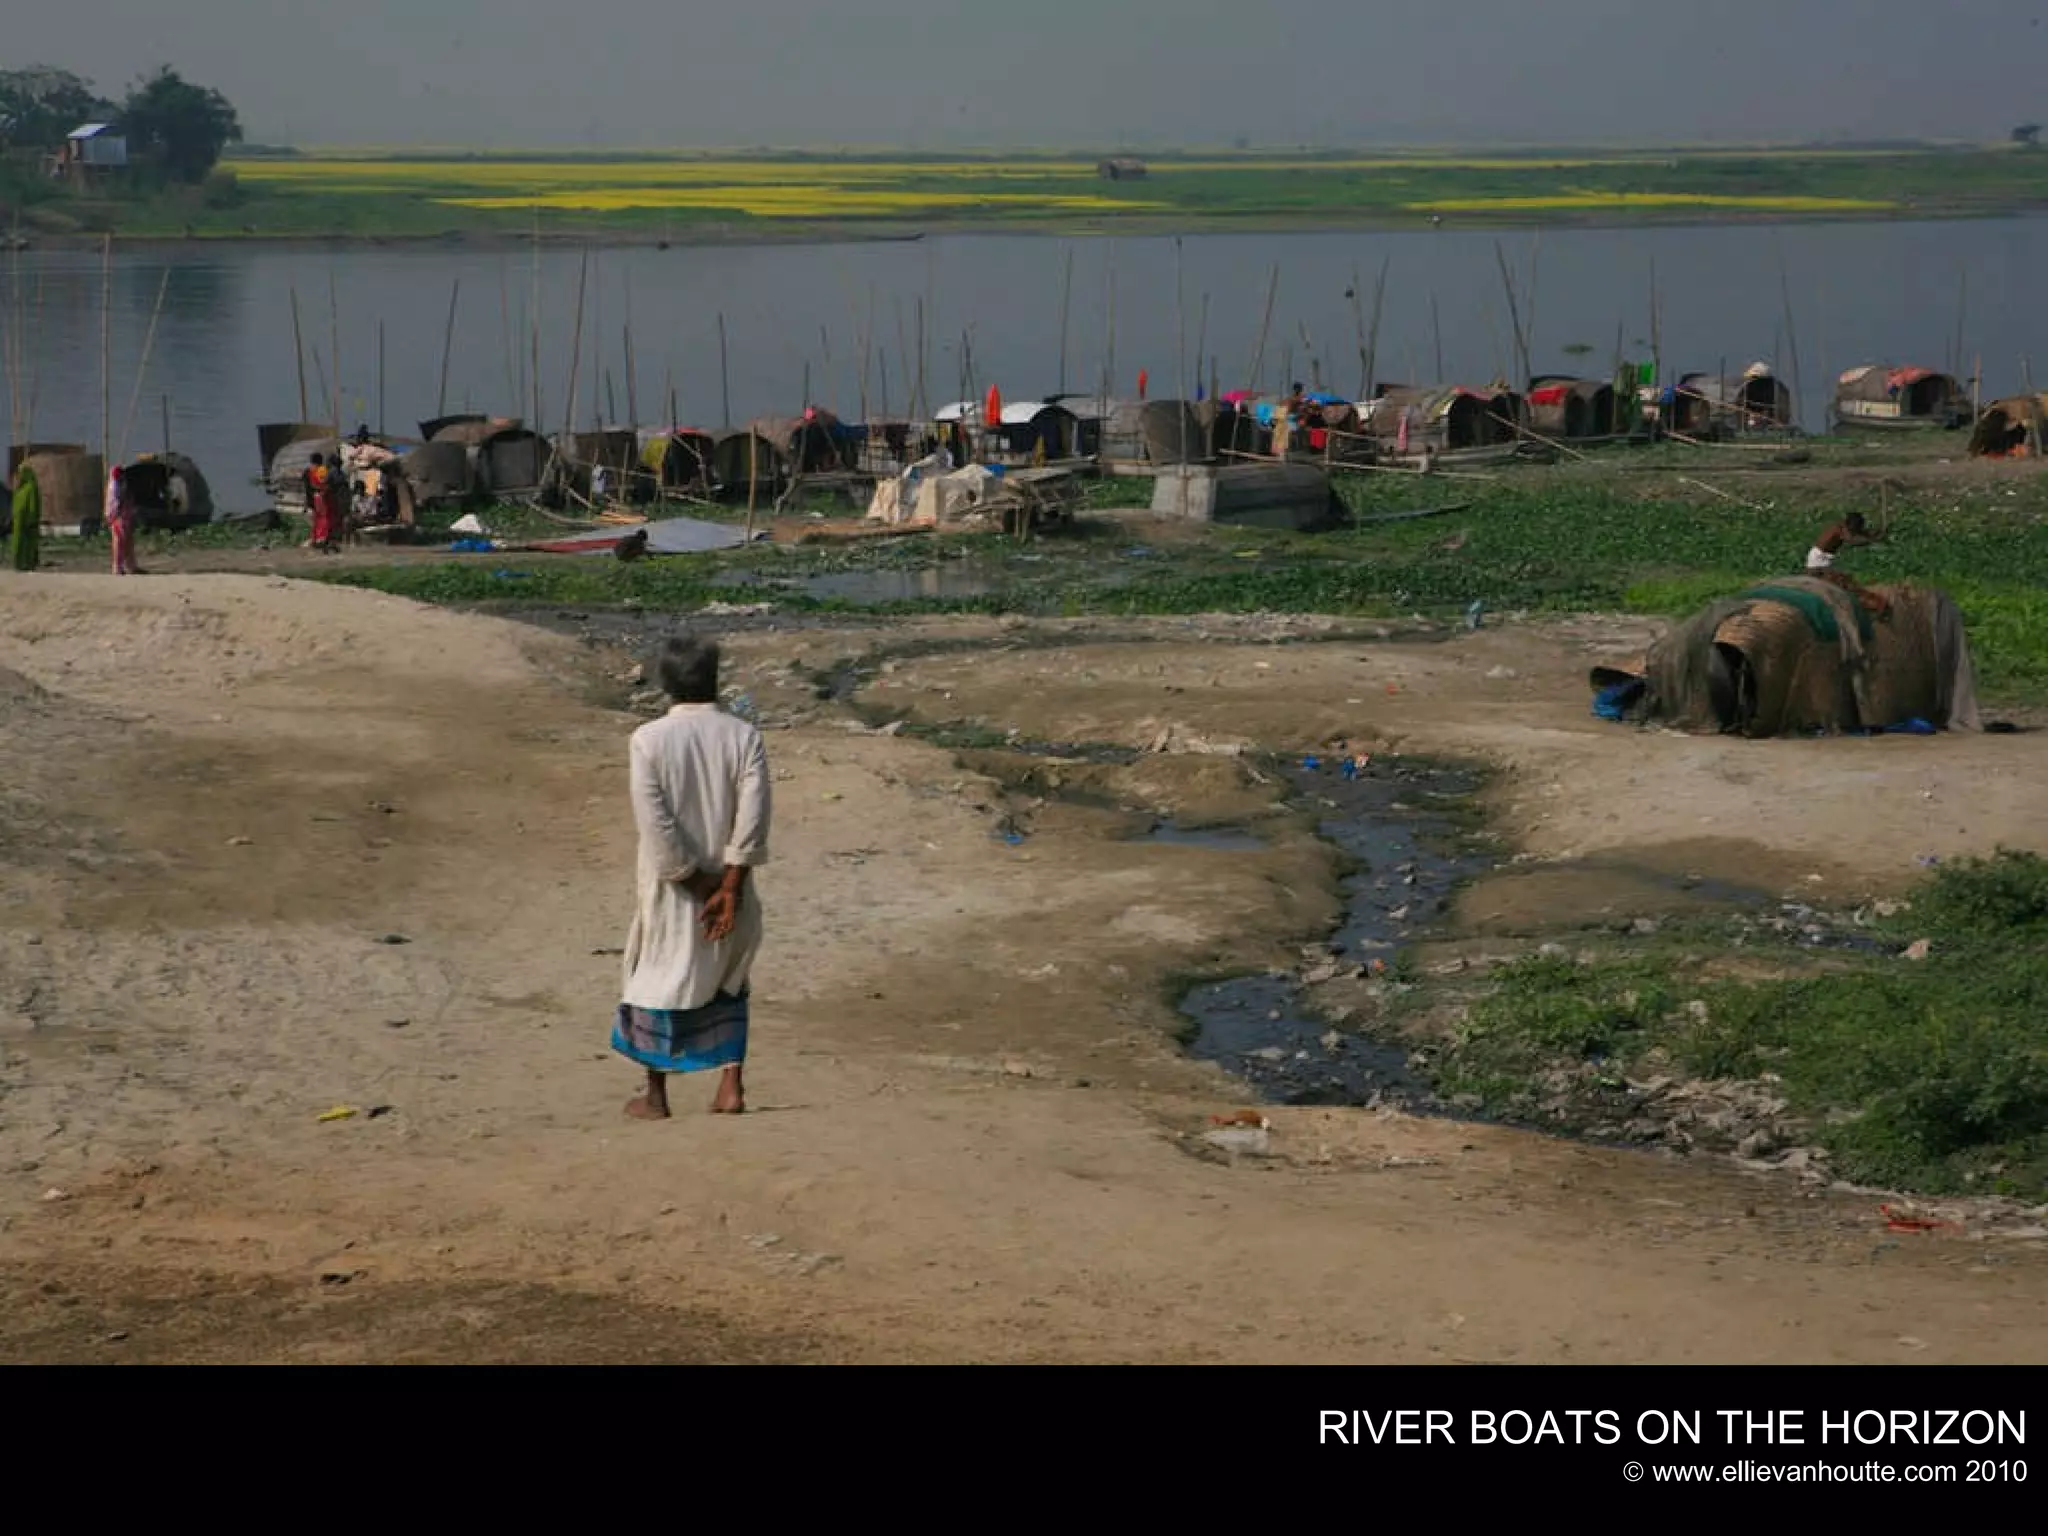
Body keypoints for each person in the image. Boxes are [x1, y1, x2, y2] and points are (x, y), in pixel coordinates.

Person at [612, 634, 771, 1120]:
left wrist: (696, 884)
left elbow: (655, 822)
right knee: (727, 976)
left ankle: (656, 1095)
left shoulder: (648, 740)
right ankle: (731, 1087)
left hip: (673, 889)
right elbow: (753, 814)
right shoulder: (743, 736)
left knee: (655, 976)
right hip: (728, 884)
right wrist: (729, 885)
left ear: (667, 683)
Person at [1805, 511, 1890, 616]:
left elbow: (1860, 533)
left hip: (1823, 559)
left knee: (1838, 583)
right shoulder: (1839, 529)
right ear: (1850, 525)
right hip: (1819, 560)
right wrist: (1873, 540)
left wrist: (1877, 533)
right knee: (1841, 585)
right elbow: (1853, 540)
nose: (1855, 531)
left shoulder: (1844, 527)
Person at [106, 466, 140, 575]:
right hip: (118, 515)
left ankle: (130, 566)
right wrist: (119, 513)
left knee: (127, 541)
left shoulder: (120, 484)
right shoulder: (114, 486)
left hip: (123, 515)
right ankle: (118, 567)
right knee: (119, 541)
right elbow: (117, 502)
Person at [8, 462, 41, 572]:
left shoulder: (31, 487)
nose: (19, 475)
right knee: (17, 543)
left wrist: (31, 519)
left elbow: (33, 505)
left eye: (21, 473)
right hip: (18, 521)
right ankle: (18, 564)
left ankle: (28, 564)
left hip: (28, 522)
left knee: (29, 544)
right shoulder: (19, 489)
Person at [303, 453, 339, 552]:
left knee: (317, 518)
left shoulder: (308, 471)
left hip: (314, 497)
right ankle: (321, 538)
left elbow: (307, 485)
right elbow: (323, 483)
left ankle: (315, 538)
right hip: (322, 496)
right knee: (324, 517)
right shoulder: (322, 470)